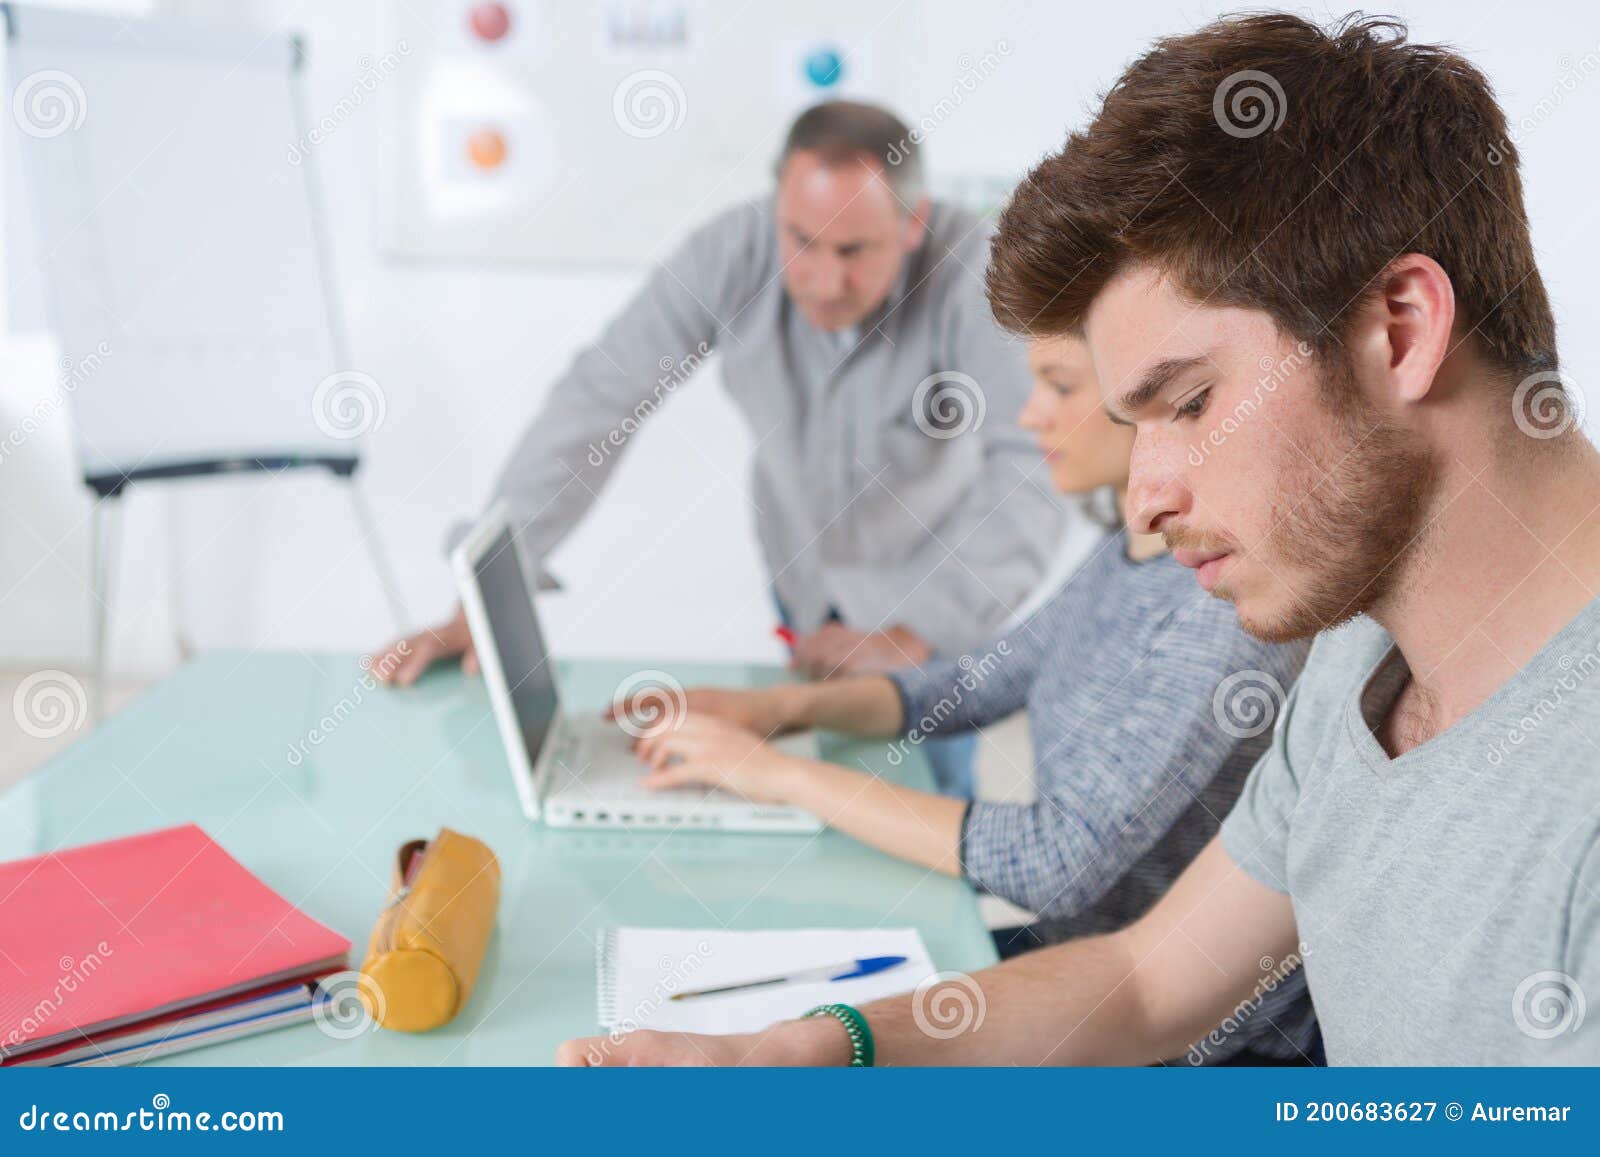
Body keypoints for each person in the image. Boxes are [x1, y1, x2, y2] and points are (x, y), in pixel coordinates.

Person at [557, 12, 1600, 1067]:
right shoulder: (1359, 655)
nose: (1141, 500)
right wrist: (789, 1052)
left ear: (1400, 331)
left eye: (1189, 402)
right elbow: (1143, 978)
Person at [616, 332, 1316, 1063]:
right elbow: (970, 684)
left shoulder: (1221, 610)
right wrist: (773, 711)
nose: (1029, 416)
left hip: (1207, 1053)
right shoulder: (1126, 556)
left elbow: (1055, 858)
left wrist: (776, 774)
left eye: (1061, 385)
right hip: (1085, 967)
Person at [374, 100, 1063, 799]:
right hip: (805, 578)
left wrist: (922, 628)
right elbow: (599, 399)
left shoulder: (975, 271)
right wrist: (492, 587)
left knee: (927, 799)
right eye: (801, 240)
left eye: (854, 251)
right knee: (811, 790)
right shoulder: (728, 253)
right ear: (776, 209)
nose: (824, 281)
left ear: (913, 224)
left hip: (935, 595)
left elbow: (1033, 460)